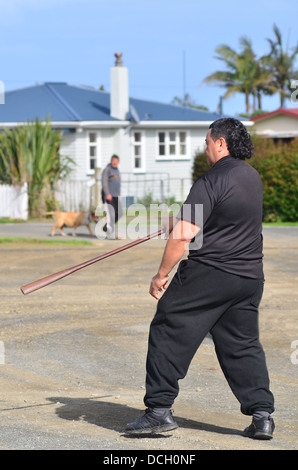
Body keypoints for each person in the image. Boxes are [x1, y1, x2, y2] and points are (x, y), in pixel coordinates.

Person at [125, 118, 275, 440]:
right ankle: (262, 416)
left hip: (211, 274)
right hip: (249, 278)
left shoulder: (210, 181)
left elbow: (183, 237)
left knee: (169, 325)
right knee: (242, 344)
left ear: (221, 143)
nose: (205, 148)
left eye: (208, 142)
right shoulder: (252, 178)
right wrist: (177, 220)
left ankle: (158, 412)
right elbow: (224, 221)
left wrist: (160, 275)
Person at [101, 154, 122, 238]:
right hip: (109, 196)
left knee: (119, 213)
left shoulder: (117, 170)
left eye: (116, 161)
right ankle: (111, 234)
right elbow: (104, 182)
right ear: (111, 161)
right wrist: (107, 194)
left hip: (116, 196)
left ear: (118, 162)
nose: (115, 162)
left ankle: (107, 227)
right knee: (110, 215)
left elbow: (118, 183)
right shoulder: (107, 170)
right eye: (113, 161)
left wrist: (119, 194)